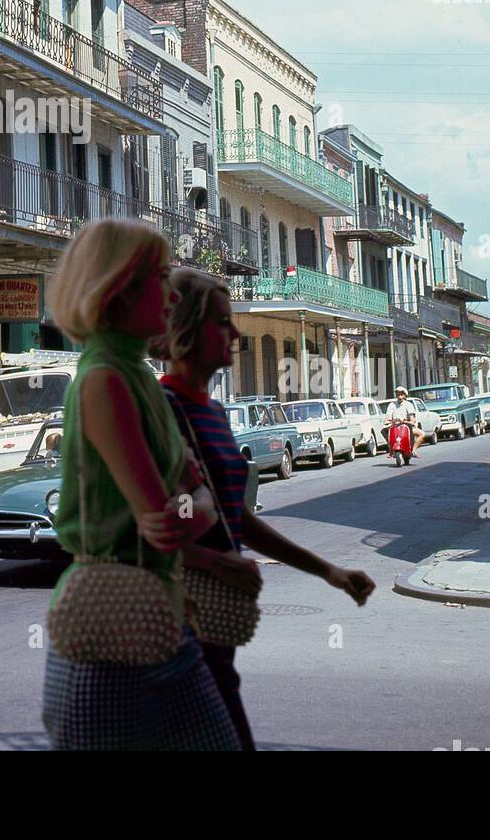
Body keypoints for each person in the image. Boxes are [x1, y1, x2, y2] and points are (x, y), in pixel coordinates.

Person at [153, 267, 376, 751]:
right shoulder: (163, 408)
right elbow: (148, 523)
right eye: (221, 322)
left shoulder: (211, 412)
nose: (235, 334)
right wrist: (217, 562)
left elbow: (236, 517)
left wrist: (328, 571)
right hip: (181, 622)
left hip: (217, 624)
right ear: (187, 330)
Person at [41, 219, 242, 751]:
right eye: (157, 276)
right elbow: (167, 520)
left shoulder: (138, 380)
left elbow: (193, 505)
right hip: (114, 634)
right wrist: (191, 506)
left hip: (162, 621)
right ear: (116, 288)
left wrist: (190, 505)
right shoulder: (106, 378)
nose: (171, 290)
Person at [386, 387, 426, 455]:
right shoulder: (392, 405)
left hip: (407, 426)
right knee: (384, 431)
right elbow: (387, 418)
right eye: (398, 395)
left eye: (401, 395)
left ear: (405, 395)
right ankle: (391, 448)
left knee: (422, 434)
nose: (400, 397)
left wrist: (404, 421)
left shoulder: (409, 405)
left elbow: (412, 420)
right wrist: (389, 421)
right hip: (395, 426)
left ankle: (413, 450)